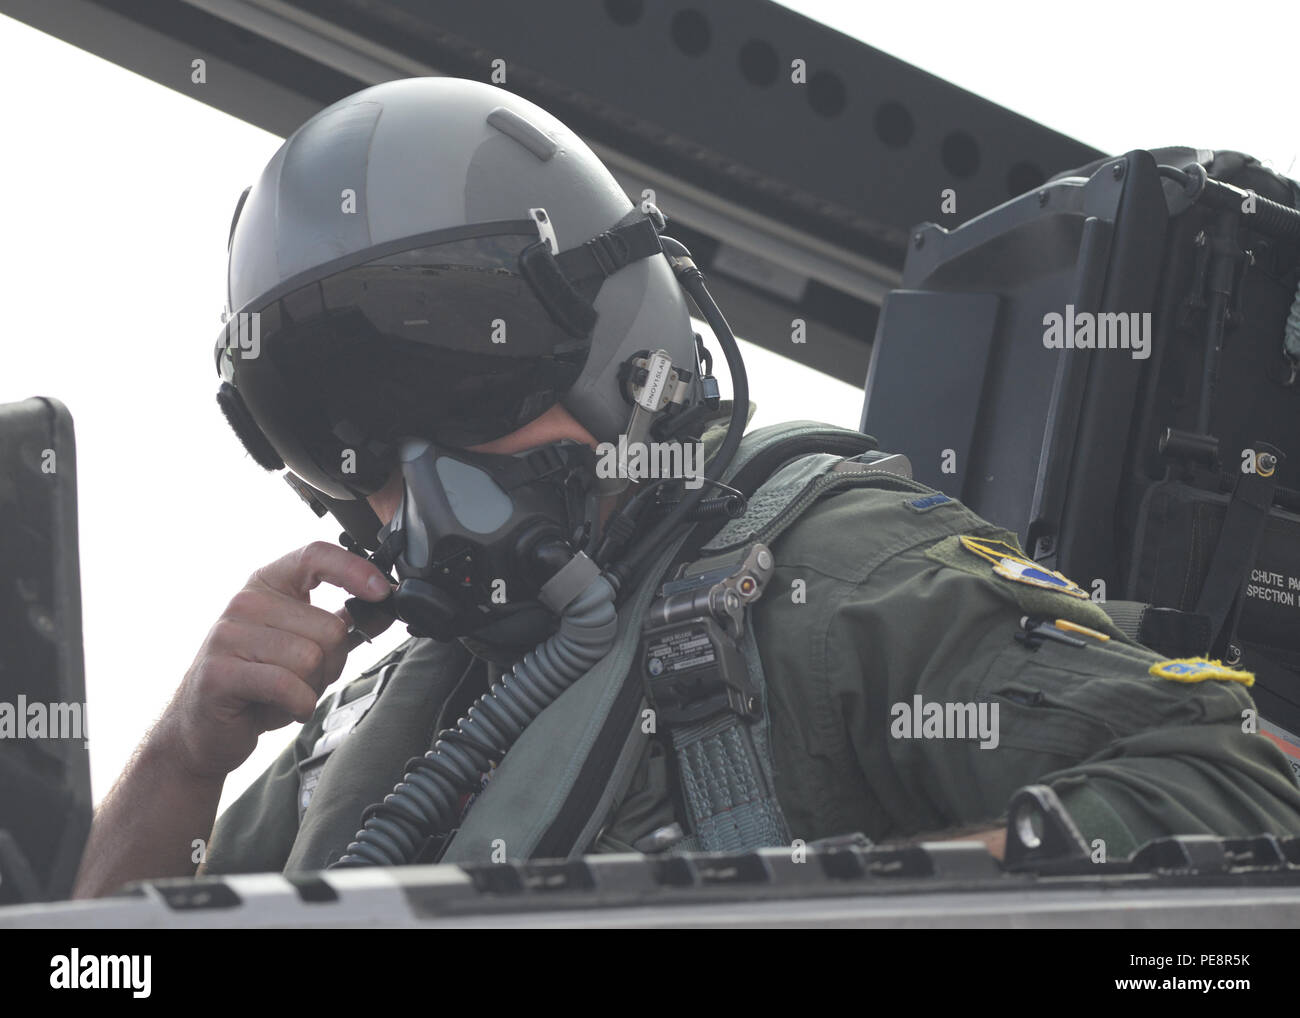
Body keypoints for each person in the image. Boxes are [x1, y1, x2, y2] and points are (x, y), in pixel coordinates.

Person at [72, 78, 1300, 897]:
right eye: (353, 438)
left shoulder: (820, 570)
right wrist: (187, 749)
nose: (420, 477)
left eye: (466, 385)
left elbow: (1241, 779)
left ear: (621, 348)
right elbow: (97, 971)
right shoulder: (369, 716)